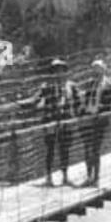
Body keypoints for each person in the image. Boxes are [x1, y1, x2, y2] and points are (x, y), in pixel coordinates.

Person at [35, 57, 81, 186]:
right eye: (56, 70)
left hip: (66, 122)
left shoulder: (71, 86)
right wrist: (26, 105)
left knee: (65, 149)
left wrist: (77, 116)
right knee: (50, 149)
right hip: (51, 121)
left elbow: (79, 102)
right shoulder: (46, 86)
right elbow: (36, 98)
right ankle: (49, 177)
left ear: (65, 71)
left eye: (61, 70)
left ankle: (65, 176)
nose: (58, 73)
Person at [81, 59, 111, 187]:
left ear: (104, 70)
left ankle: (96, 178)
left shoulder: (110, 85)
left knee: (95, 149)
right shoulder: (90, 84)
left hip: (100, 120)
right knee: (87, 148)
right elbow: (85, 101)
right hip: (88, 118)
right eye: (94, 69)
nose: (96, 72)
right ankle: (89, 176)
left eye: (98, 69)